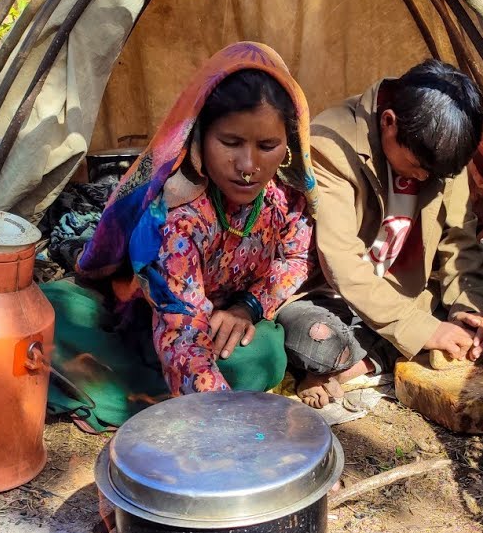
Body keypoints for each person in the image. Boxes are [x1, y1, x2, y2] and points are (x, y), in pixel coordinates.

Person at [43, 41, 317, 430]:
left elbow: (296, 259)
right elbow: (181, 330)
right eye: (231, 143)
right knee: (48, 315)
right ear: (199, 137)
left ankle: (139, 386)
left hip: (224, 321)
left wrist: (248, 308)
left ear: (287, 147)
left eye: (267, 146)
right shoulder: (177, 219)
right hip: (159, 319)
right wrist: (224, 421)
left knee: (266, 353)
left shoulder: (286, 202)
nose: (248, 166)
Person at [278, 59, 483, 408]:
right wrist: (426, 330)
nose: (426, 179)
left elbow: (460, 241)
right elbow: (342, 265)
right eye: (418, 169)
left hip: (405, 293)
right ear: (389, 123)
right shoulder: (330, 145)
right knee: (318, 344)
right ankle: (362, 358)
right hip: (329, 296)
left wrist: (468, 314)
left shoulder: (440, 151)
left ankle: (362, 360)